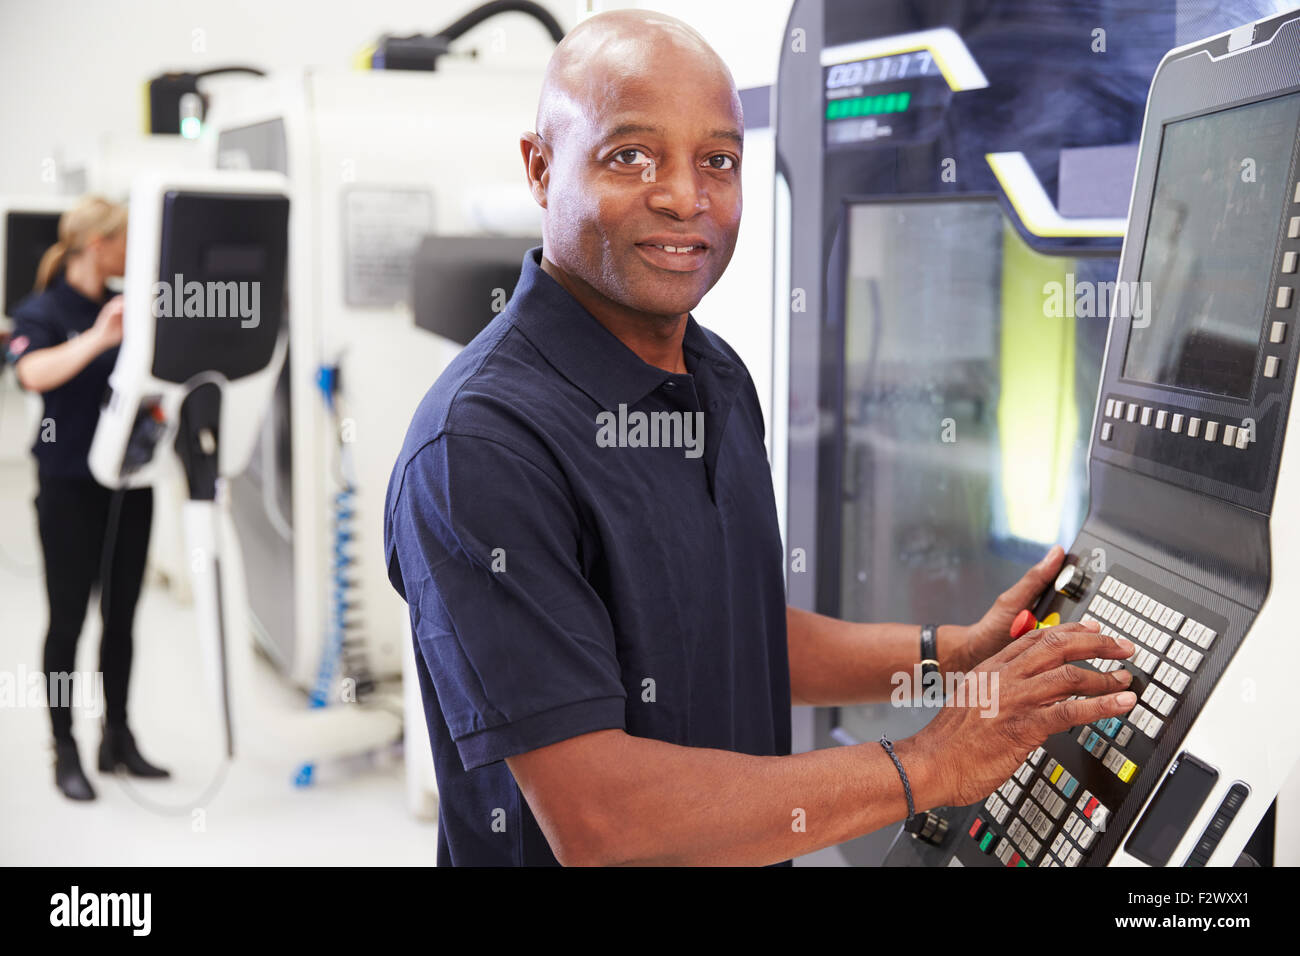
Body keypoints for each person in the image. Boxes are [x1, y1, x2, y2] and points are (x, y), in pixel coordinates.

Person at [384, 9, 1137, 866]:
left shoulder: (716, 377)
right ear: (541, 167)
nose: (684, 196)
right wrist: (929, 763)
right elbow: (600, 819)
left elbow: (735, 633)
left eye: (719, 161)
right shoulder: (480, 447)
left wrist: (948, 656)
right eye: (631, 155)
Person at [7, 195, 169, 802]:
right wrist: (99, 340)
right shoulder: (42, 310)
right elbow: (30, 373)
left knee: (122, 619)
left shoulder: (131, 305)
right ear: (98, 244)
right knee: (67, 623)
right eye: (125, 238)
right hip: (68, 487)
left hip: (128, 484)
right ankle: (64, 745)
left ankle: (117, 737)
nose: (132, 250)